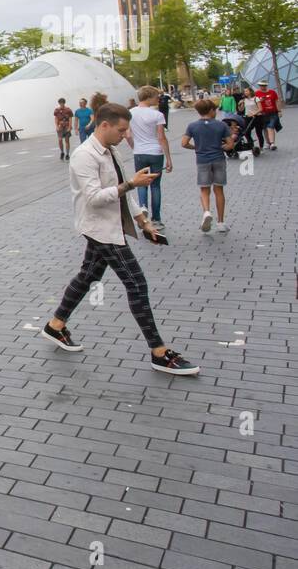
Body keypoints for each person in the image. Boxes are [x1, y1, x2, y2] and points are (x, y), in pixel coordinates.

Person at [42, 103, 199, 376]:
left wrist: (143, 221)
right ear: (104, 125)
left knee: (87, 276)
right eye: (122, 130)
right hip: (100, 229)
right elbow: (95, 198)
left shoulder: (111, 150)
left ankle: (55, 325)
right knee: (137, 284)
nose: (125, 136)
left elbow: (124, 191)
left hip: (111, 226)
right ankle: (159, 352)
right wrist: (131, 185)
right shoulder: (84, 156)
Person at [182, 98, 236, 234]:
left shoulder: (192, 126)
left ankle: (206, 212)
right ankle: (221, 222)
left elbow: (184, 143)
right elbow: (230, 145)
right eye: (215, 110)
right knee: (219, 190)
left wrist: (196, 147)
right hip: (218, 159)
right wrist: (221, 147)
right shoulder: (221, 125)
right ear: (211, 110)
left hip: (202, 160)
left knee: (204, 190)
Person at [130, 85, 172, 230]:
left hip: (139, 153)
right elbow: (161, 137)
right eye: (156, 96)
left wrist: (134, 147)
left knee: (141, 183)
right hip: (156, 152)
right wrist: (168, 159)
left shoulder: (130, 113)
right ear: (148, 97)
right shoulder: (157, 115)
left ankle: (142, 208)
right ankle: (156, 219)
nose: (157, 99)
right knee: (155, 186)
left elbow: (128, 134)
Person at [255, 78, 281, 151]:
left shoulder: (272, 92)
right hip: (263, 114)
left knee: (270, 127)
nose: (263, 87)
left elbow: (276, 102)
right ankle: (268, 143)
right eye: (261, 85)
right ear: (259, 86)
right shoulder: (256, 93)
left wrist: (279, 111)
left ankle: (272, 143)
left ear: (266, 85)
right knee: (265, 128)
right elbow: (255, 103)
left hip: (273, 113)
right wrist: (261, 100)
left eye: (264, 85)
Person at [240, 87, 261, 155]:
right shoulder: (244, 99)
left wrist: (254, 114)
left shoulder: (256, 98)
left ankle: (261, 146)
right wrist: (240, 104)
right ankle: (251, 146)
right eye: (244, 91)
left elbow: (261, 109)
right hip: (248, 117)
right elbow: (241, 110)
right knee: (246, 132)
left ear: (250, 91)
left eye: (246, 91)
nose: (245, 92)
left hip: (257, 117)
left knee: (259, 132)